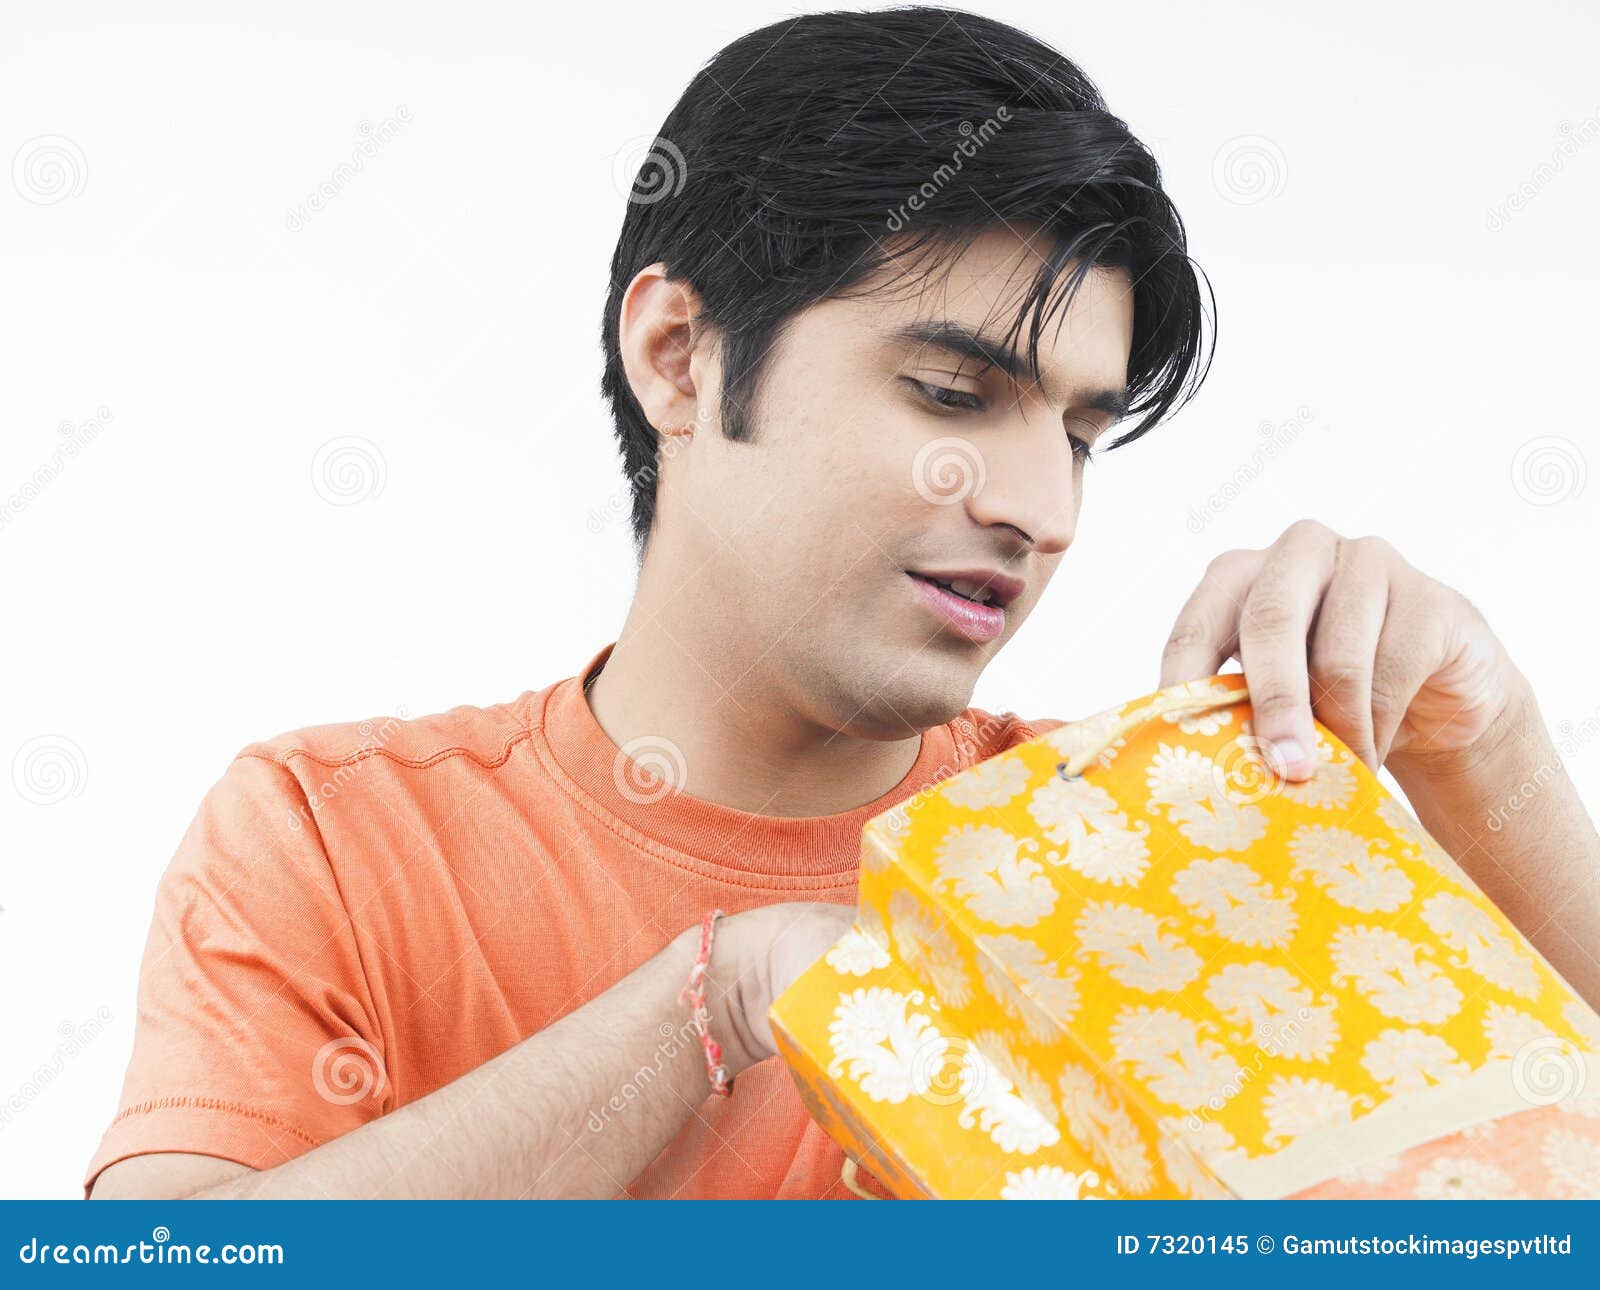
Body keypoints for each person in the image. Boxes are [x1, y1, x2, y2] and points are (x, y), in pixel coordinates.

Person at [87, 6, 1600, 1199]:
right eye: (954, 393)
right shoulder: (333, 839)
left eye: (1079, 432)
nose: (1043, 508)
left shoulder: (1160, 848)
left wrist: (1495, 748)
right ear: (679, 357)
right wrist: (713, 1001)